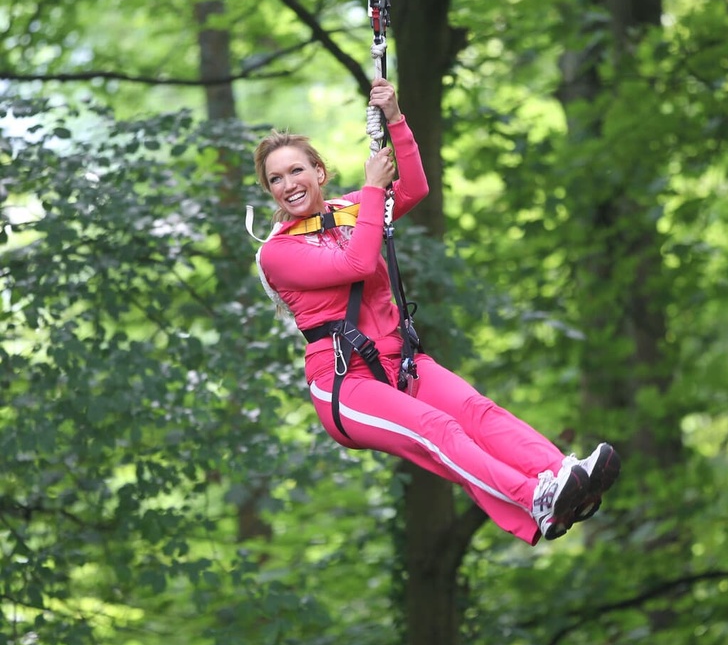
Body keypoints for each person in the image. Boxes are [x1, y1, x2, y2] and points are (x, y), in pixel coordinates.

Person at [250, 78, 620, 544]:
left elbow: (414, 189)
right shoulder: (278, 252)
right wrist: (370, 189)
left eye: (295, 171)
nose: (288, 185)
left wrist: (397, 120)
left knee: (476, 411)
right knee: (438, 428)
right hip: (346, 382)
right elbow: (358, 263)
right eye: (275, 180)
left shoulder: (350, 211)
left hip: (400, 361)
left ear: (319, 173)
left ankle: (564, 478)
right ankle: (534, 497)